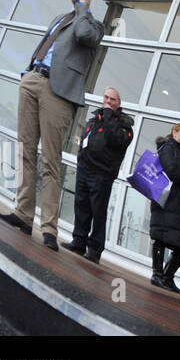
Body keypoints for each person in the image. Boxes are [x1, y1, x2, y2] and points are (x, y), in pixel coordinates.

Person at [0, 0, 102, 251]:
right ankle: (23, 214)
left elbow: (82, 34)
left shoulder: (94, 25)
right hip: (33, 80)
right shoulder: (59, 18)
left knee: (51, 162)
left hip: (59, 93)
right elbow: (45, 43)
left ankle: (49, 229)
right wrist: (27, 71)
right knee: (24, 151)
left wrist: (84, 7)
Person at [62, 86, 133, 262]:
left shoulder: (124, 125)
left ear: (118, 103)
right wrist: (81, 159)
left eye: (112, 99)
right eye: (106, 98)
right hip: (85, 170)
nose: (108, 101)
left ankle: (94, 250)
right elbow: (84, 140)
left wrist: (108, 116)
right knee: (81, 206)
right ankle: (79, 241)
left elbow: (119, 140)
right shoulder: (94, 120)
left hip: (102, 174)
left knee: (98, 212)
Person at [149, 122, 180, 290]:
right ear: (174, 132)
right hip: (166, 201)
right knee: (160, 237)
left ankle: (167, 276)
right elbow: (172, 171)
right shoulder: (168, 148)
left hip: (176, 203)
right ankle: (158, 275)